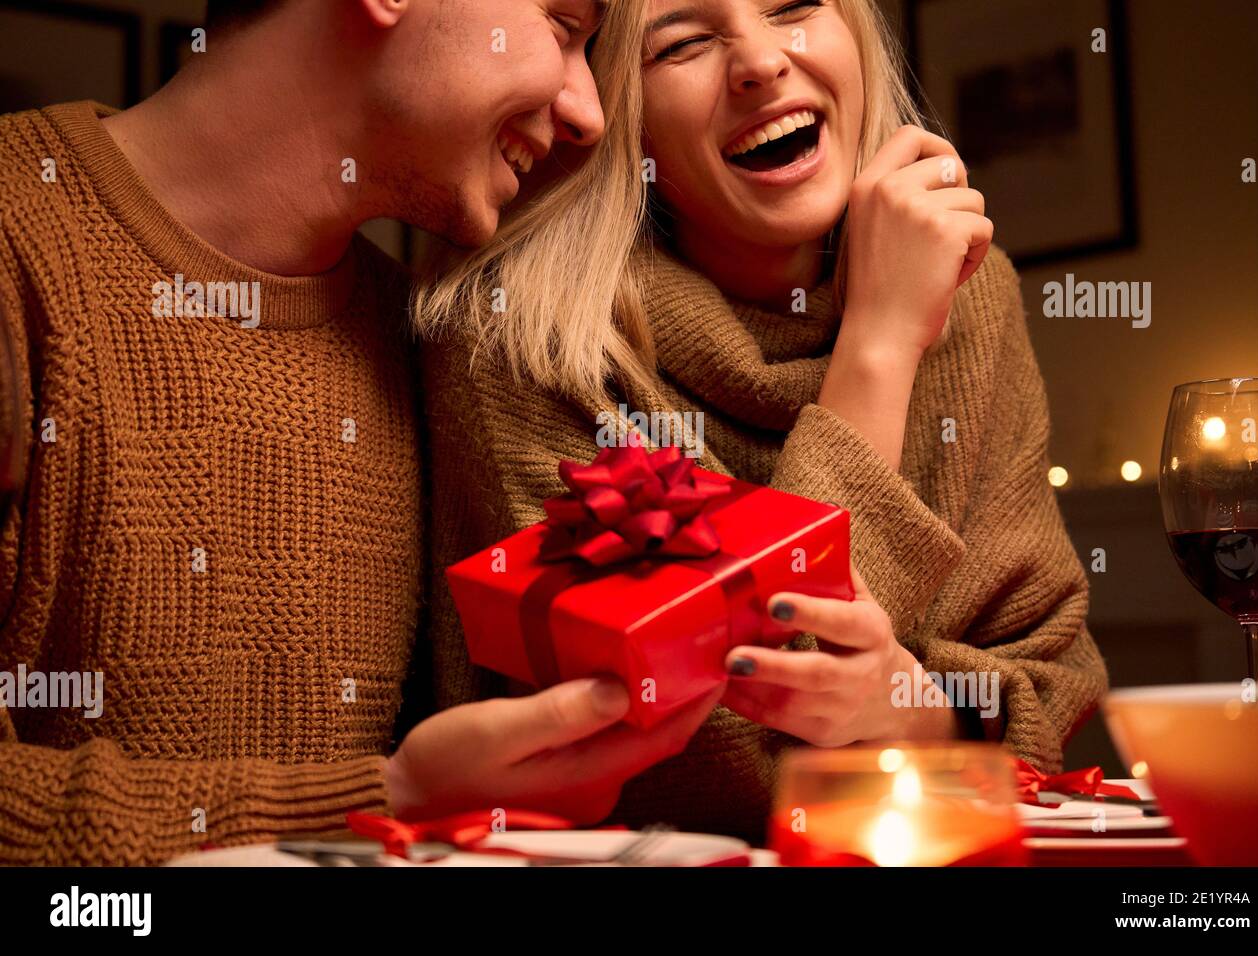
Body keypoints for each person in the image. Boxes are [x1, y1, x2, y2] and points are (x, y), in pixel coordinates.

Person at [0, 0, 722, 866]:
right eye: (564, 27)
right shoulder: (19, 246)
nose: (588, 114)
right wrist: (387, 801)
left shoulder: (434, 346)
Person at [417, 0, 1108, 843]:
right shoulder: (518, 332)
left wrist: (905, 702)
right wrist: (878, 349)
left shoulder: (973, 288)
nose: (760, 61)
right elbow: (708, 763)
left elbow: (1050, 682)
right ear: (609, 110)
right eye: (682, 44)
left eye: (792, 6)